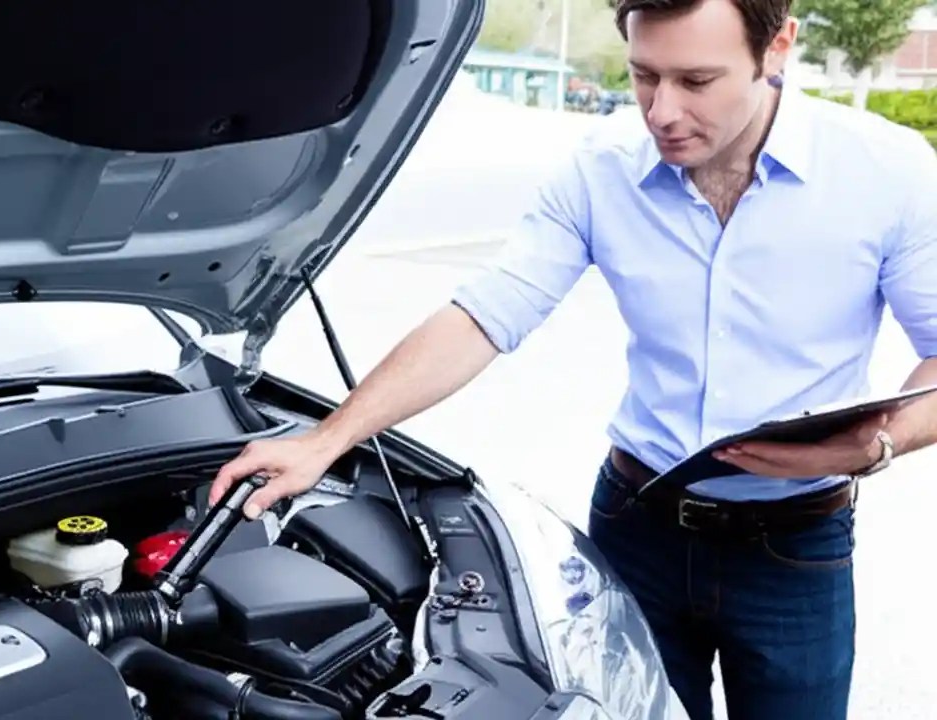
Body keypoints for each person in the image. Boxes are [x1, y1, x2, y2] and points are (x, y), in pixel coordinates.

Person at [210, 0, 937, 717]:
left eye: (696, 81)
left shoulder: (886, 174)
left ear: (777, 47)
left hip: (794, 545)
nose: (660, 111)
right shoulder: (602, 169)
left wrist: (878, 443)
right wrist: (327, 440)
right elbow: (485, 315)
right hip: (635, 528)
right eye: (643, 75)